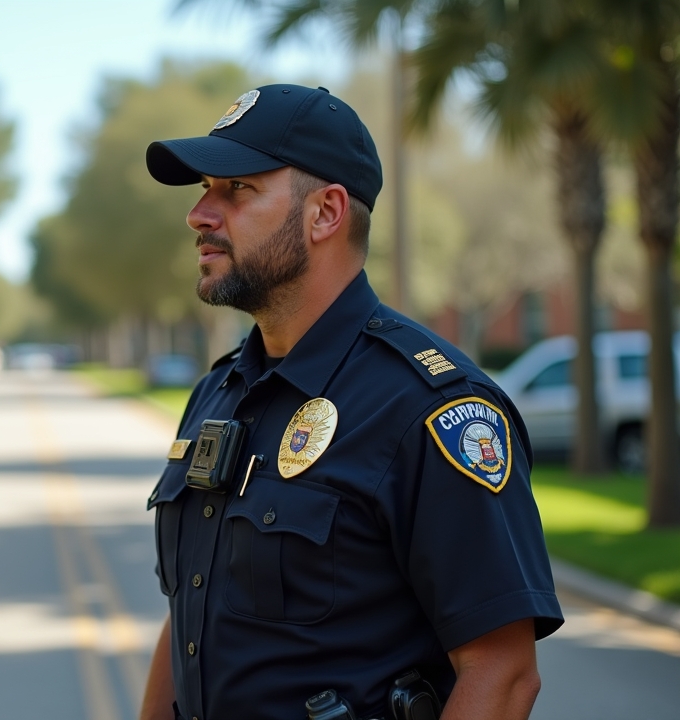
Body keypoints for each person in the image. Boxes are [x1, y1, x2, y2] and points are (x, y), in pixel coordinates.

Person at [138, 84, 563, 720]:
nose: (200, 214)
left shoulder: (431, 407)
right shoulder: (217, 393)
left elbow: (501, 675)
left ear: (326, 213)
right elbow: (188, 617)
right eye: (204, 188)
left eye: (237, 189)